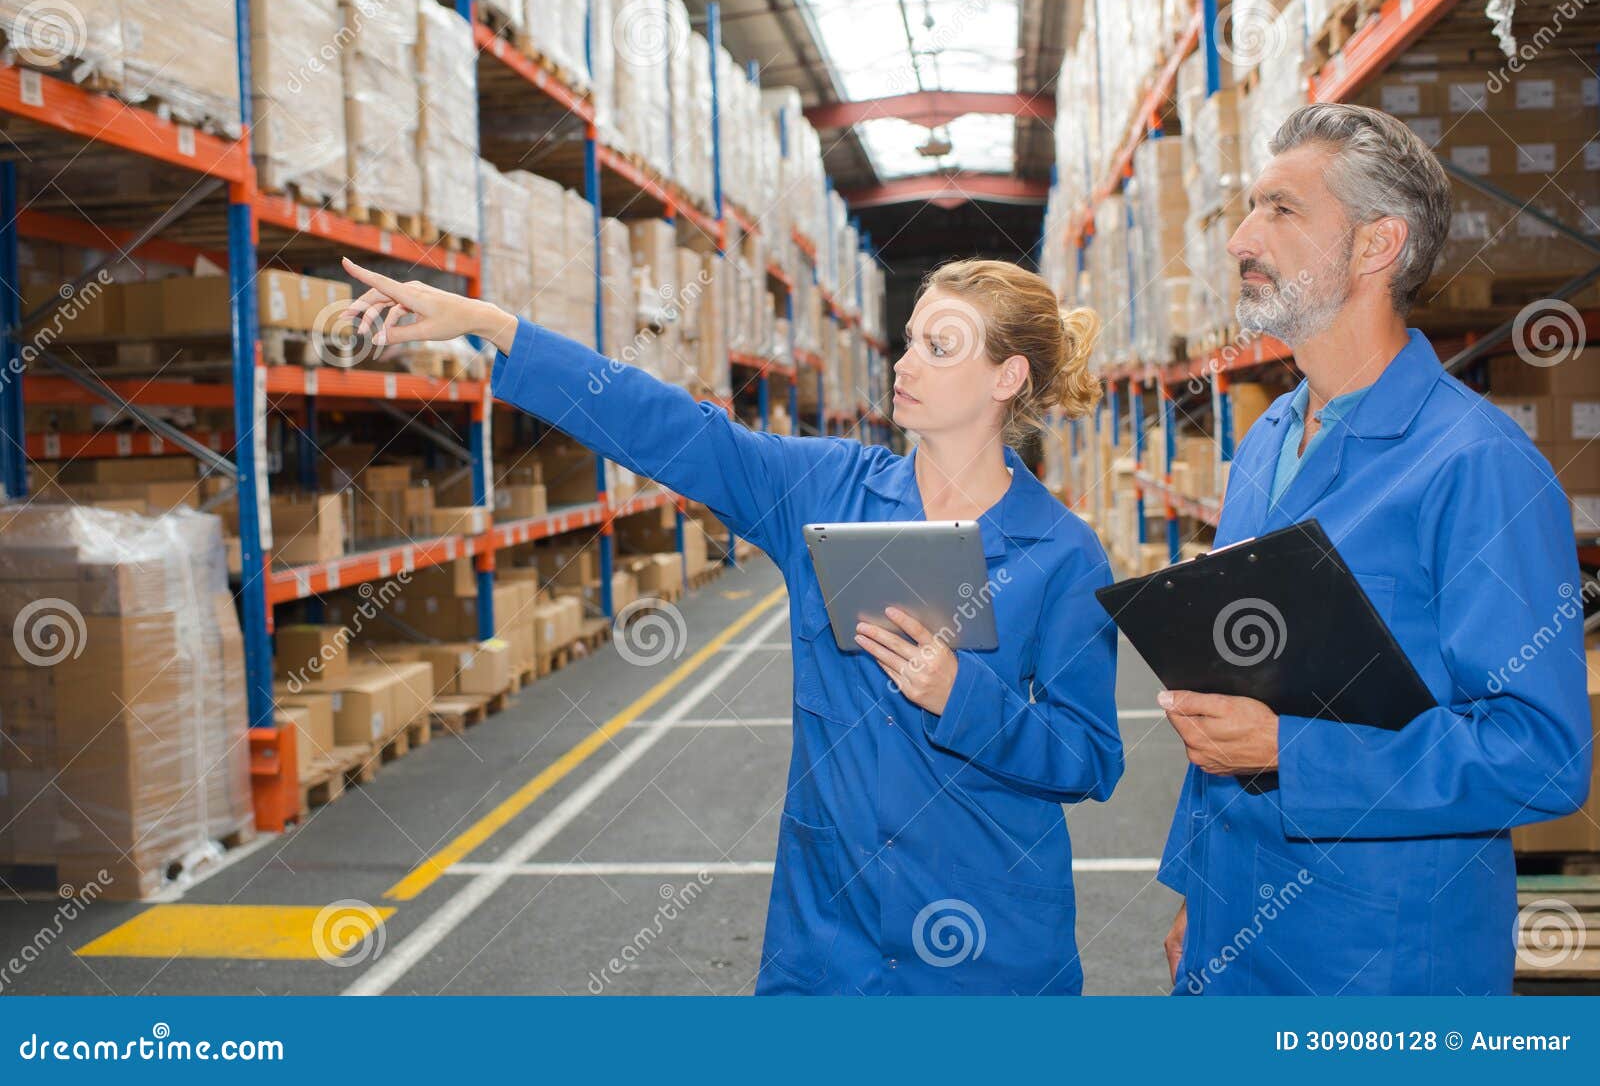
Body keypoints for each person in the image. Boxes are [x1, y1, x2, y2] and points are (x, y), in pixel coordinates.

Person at [339, 255, 1124, 995]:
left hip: (989, 957)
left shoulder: (1062, 553)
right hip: (827, 949)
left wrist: (963, 695)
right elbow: (671, 431)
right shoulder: (824, 490)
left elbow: (1090, 758)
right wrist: (497, 326)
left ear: (1007, 376)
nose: (905, 364)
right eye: (910, 339)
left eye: (940, 346)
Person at [1155, 103, 1593, 995]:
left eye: (1280, 210)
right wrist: (1196, 890)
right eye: (1248, 208)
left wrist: (1290, 749)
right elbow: (1234, 704)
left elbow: (1539, 755)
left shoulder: (1479, 466)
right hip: (1237, 934)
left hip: (1379, 962)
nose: (1242, 236)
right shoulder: (1269, 441)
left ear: (1375, 245)